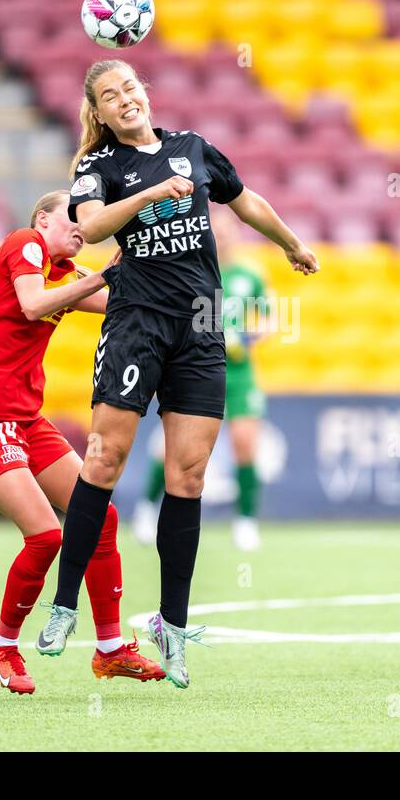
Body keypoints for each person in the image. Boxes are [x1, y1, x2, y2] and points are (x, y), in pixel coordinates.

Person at [36, 58, 319, 688]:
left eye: (130, 88)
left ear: (144, 93)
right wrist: (147, 195)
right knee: (104, 459)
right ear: (100, 114)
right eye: (110, 97)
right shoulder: (96, 167)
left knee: (188, 475)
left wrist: (291, 243)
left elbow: (246, 202)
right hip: (137, 318)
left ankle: (172, 622)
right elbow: (90, 225)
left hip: (202, 320)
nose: (125, 100)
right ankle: (64, 604)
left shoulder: (194, 149)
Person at [0, 189, 164, 695]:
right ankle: (3, 646)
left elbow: (117, 304)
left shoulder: (61, 274)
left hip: (24, 419)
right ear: (43, 218)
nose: (83, 227)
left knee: (100, 518)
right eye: (74, 217)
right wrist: (106, 273)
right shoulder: (24, 243)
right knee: (46, 536)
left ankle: (110, 651)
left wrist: (153, 261)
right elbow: (31, 306)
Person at [131, 207, 273, 552]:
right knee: (173, 446)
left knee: (244, 443)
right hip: (194, 369)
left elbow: (269, 321)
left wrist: (245, 337)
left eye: (227, 232)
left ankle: (245, 521)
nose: (221, 237)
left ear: (236, 235)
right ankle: (147, 508)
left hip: (238, 374)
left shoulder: (249, 274)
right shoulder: (192, 273)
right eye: (215, 232)